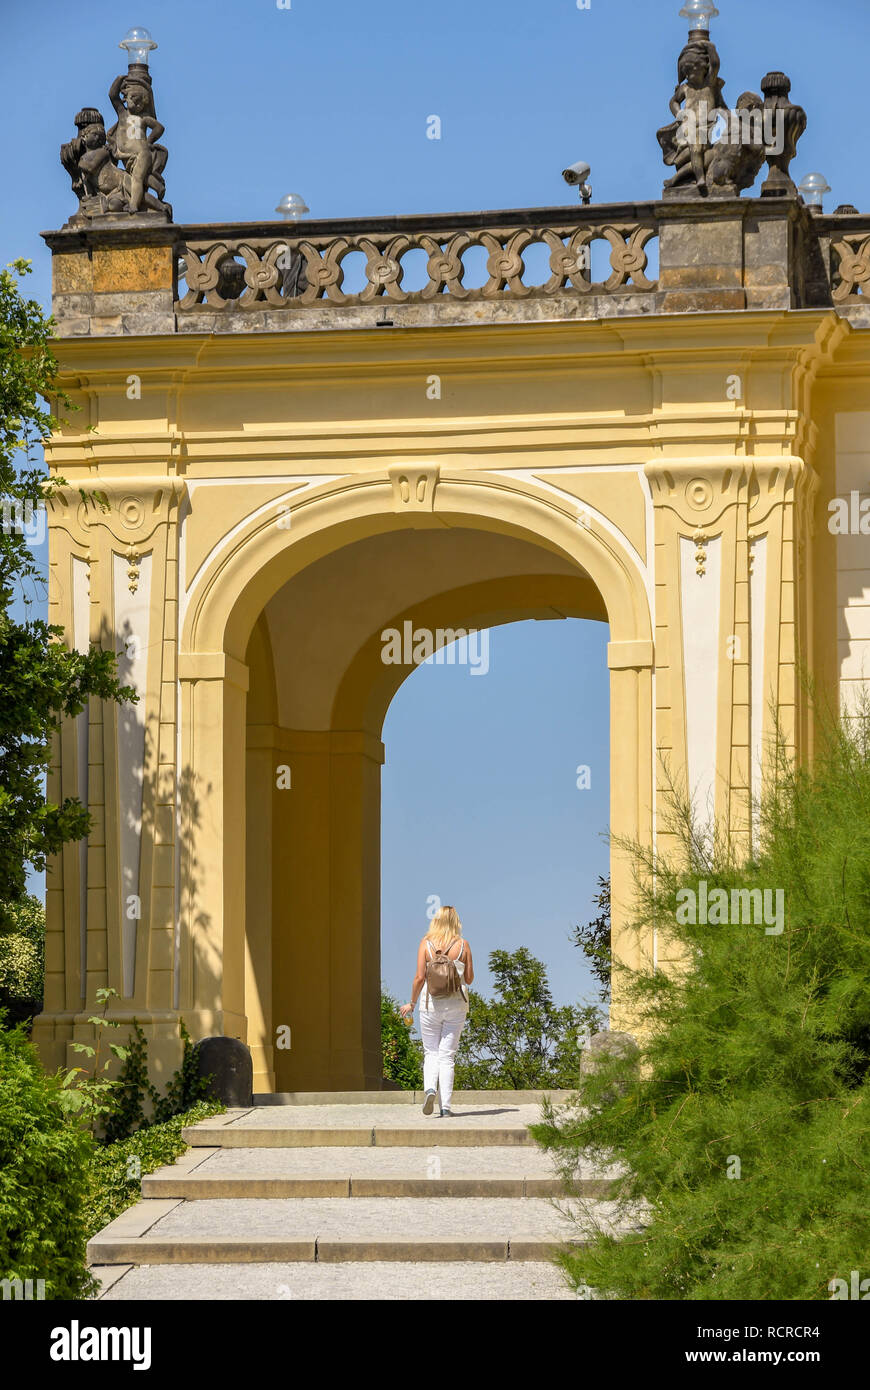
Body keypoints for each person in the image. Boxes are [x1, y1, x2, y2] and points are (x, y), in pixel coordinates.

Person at [400, 906, 473, 1117]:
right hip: (456, 1005)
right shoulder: (463, 945)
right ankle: (446, 1107)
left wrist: (412, 1003)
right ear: (455, 922)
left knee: (431, 1052)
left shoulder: (426, 944)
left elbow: (419, 978)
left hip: (429, 1004)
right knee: (447, 1056)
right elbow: (469, 979)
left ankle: (430, 1088)